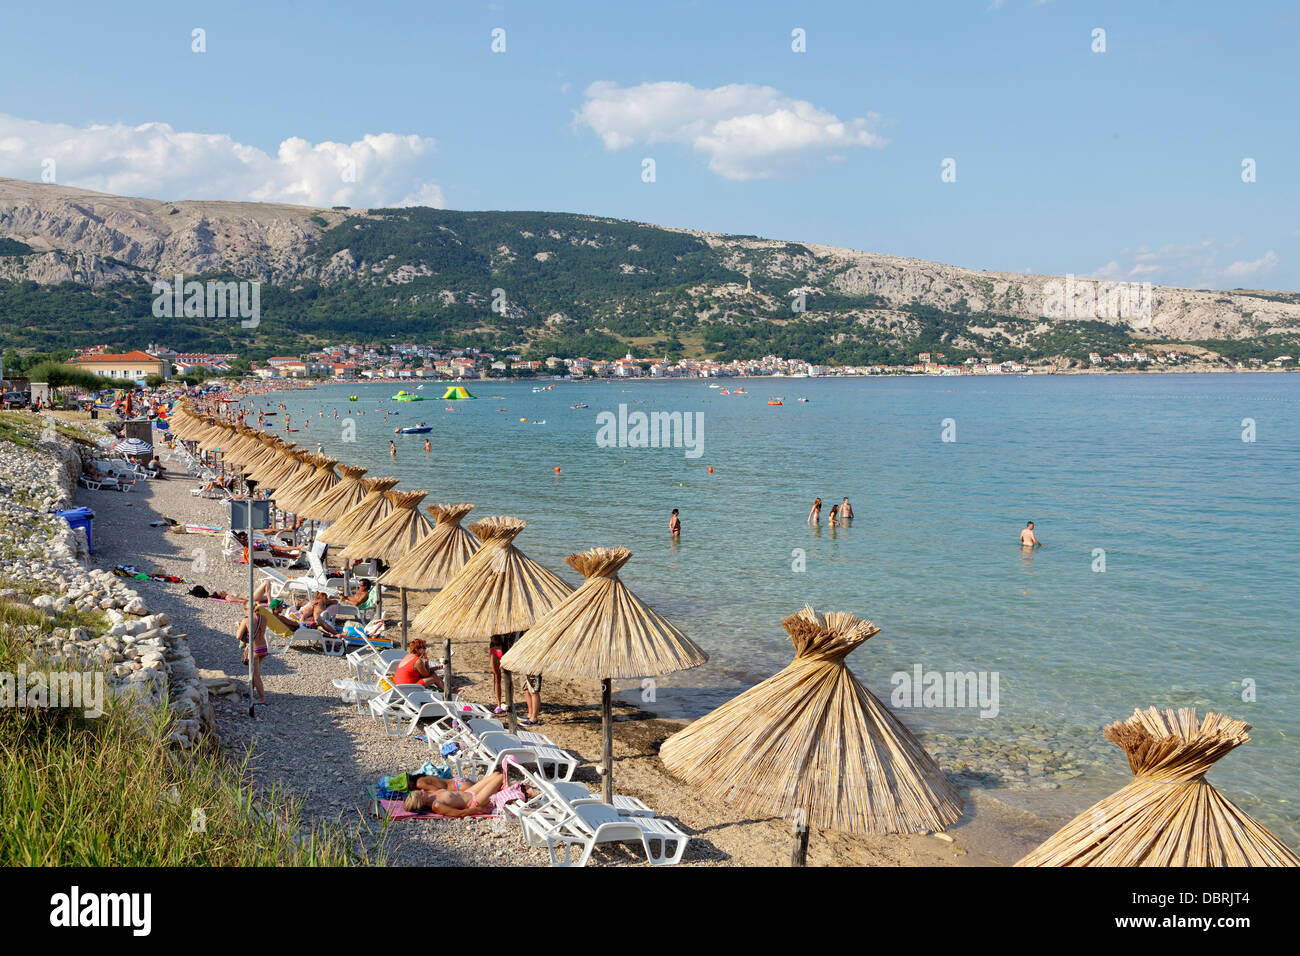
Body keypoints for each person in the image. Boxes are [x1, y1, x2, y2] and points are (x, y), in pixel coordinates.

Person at [402, 772, 535, 817]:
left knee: (496, 774)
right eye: (420, 793)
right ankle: (523, 790)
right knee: (500, 778)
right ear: (421, 801)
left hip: (469, 792)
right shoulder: (436, 805)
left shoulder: (432, 795)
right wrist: (477, 810)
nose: (422, 791)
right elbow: (459, 813)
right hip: (475, 800)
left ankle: (519, 792)